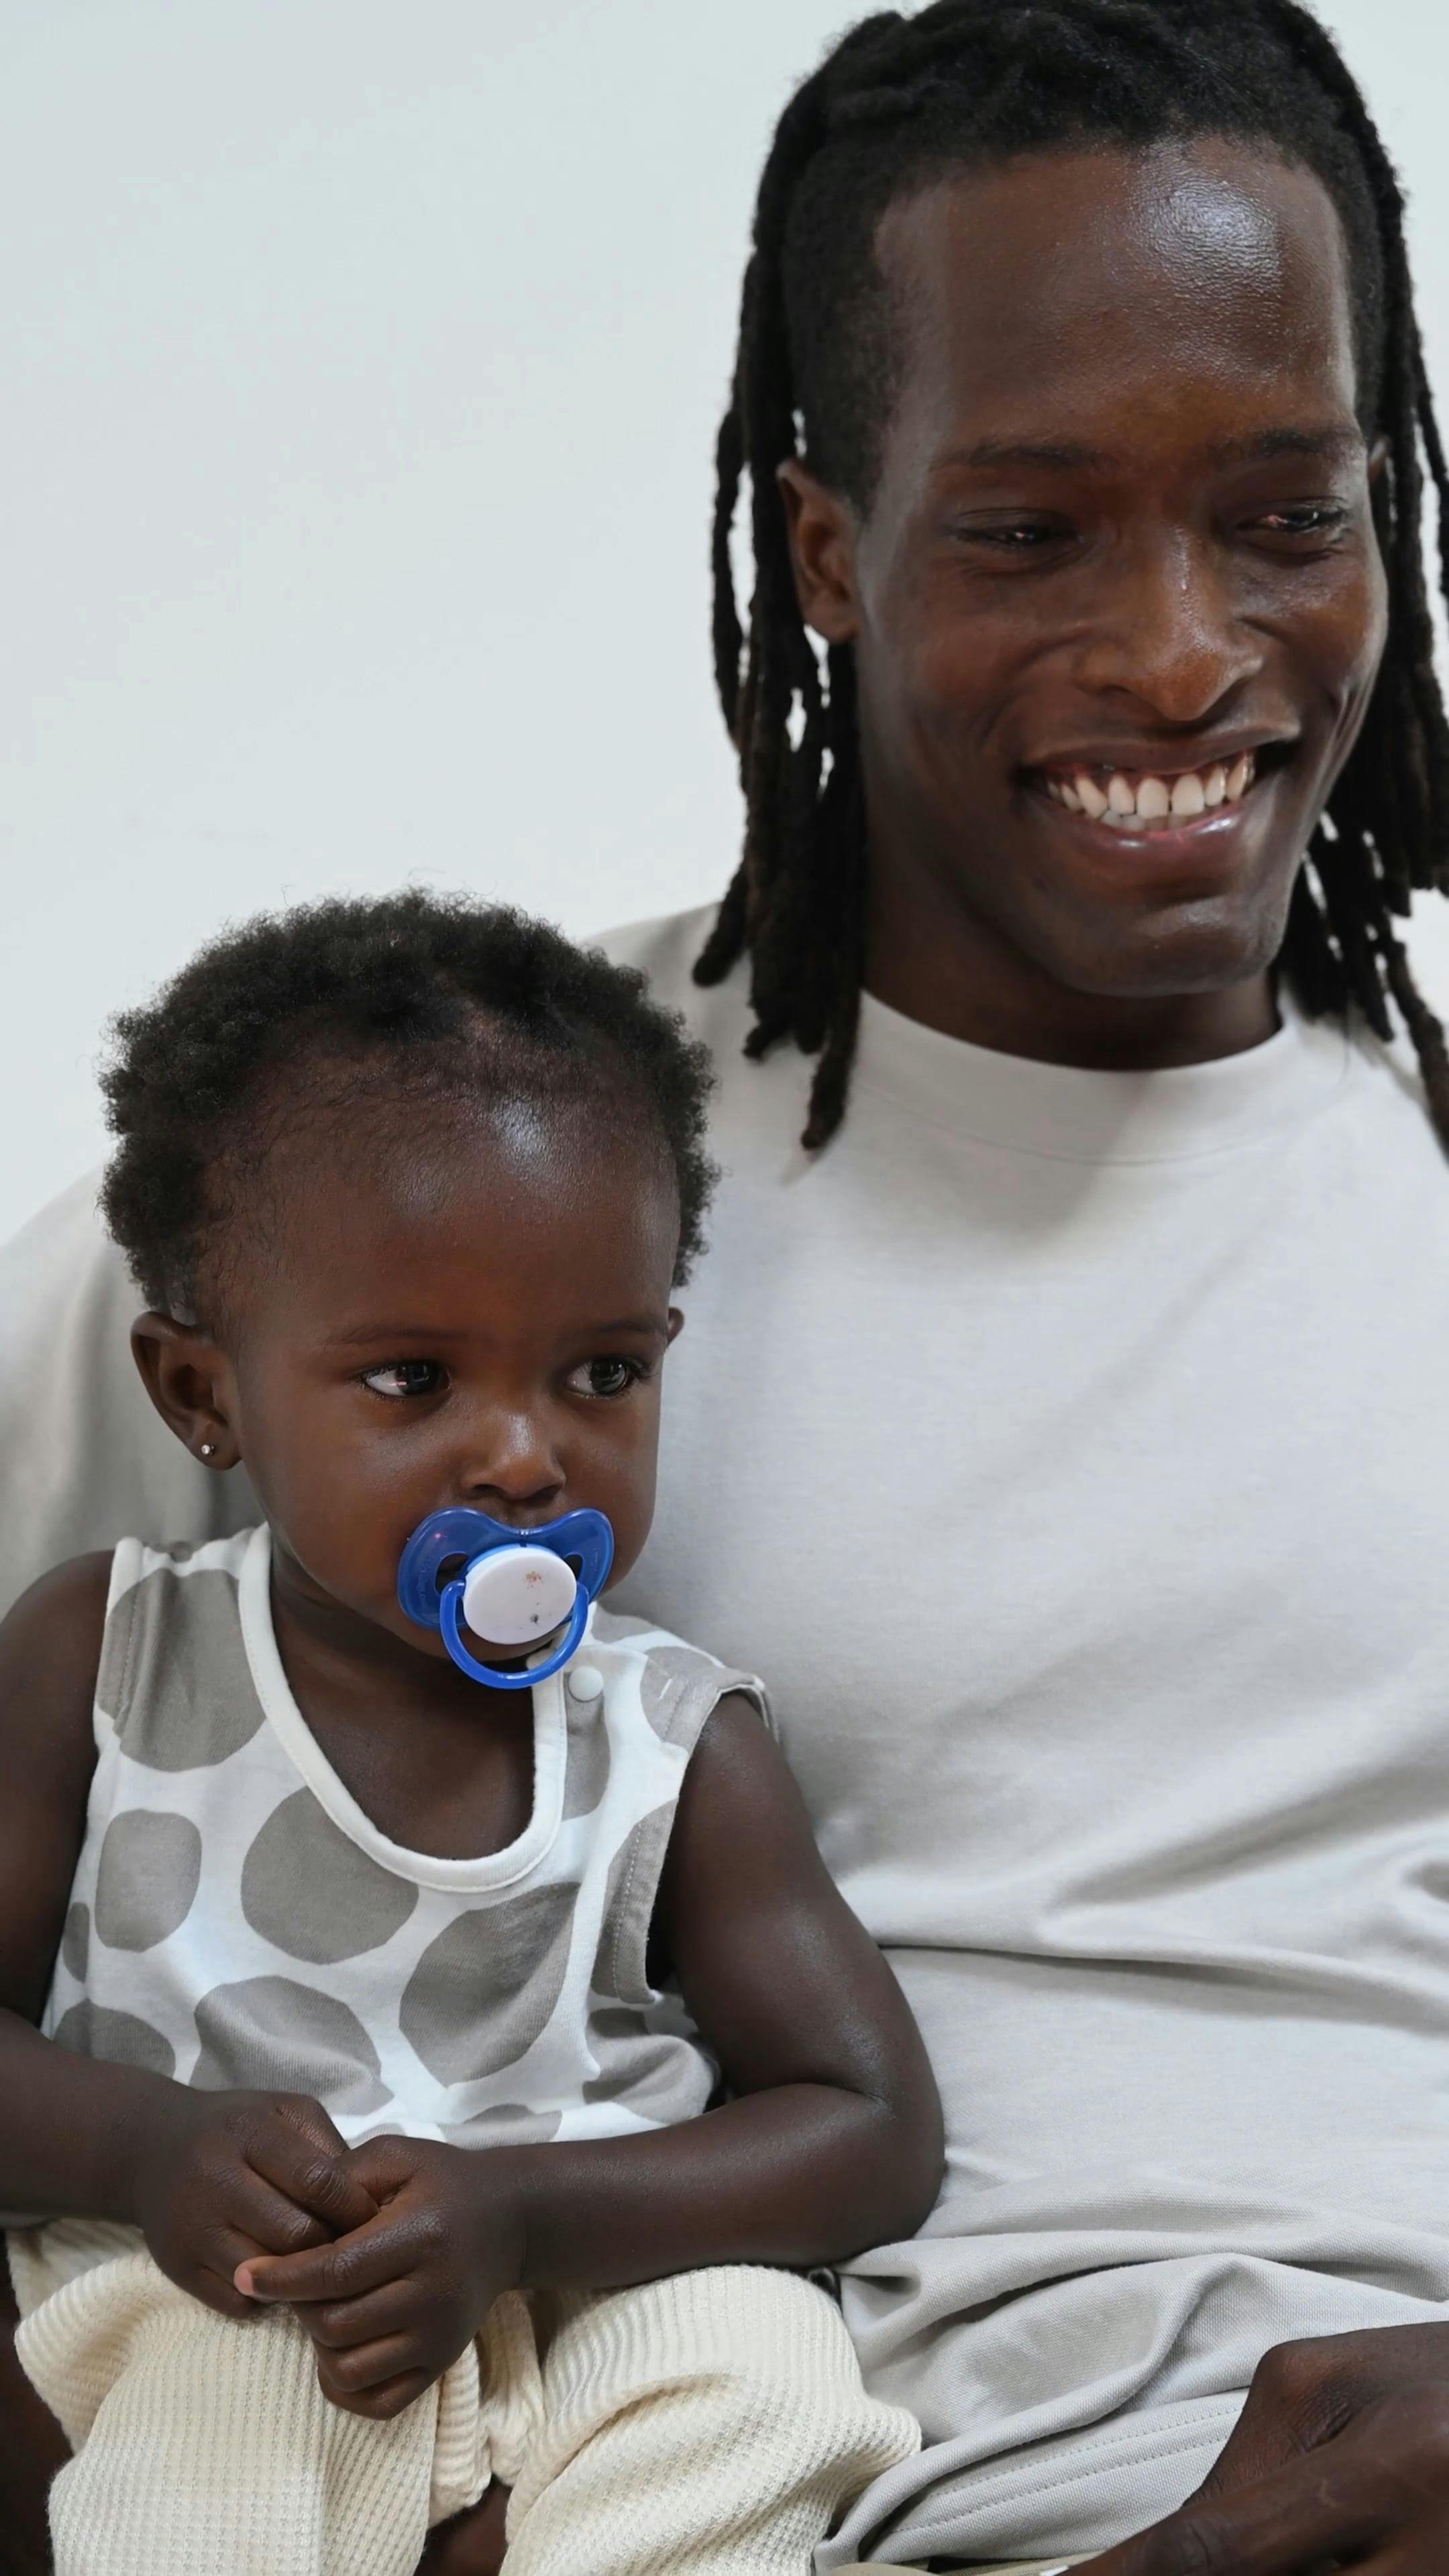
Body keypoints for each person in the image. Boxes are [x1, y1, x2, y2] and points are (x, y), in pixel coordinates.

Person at [5, 0, 1449, 2567]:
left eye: (1287, 515)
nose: (1185, 656)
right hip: (751, 2473)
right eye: (1029, 530)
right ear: (827, 551)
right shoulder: (476, 1185)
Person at [0, 893, 936, 2576]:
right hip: (229, 2304)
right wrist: (144, 2151)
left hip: (583, 2297)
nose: (524, 1457)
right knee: (227, 2401)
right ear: (204, 1395)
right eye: (415, 1381)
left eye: (599, 1373)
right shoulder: (106, 1656)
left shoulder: (671, 1742)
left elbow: (869, 2128)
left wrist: (523, 2214)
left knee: (767, 2369)